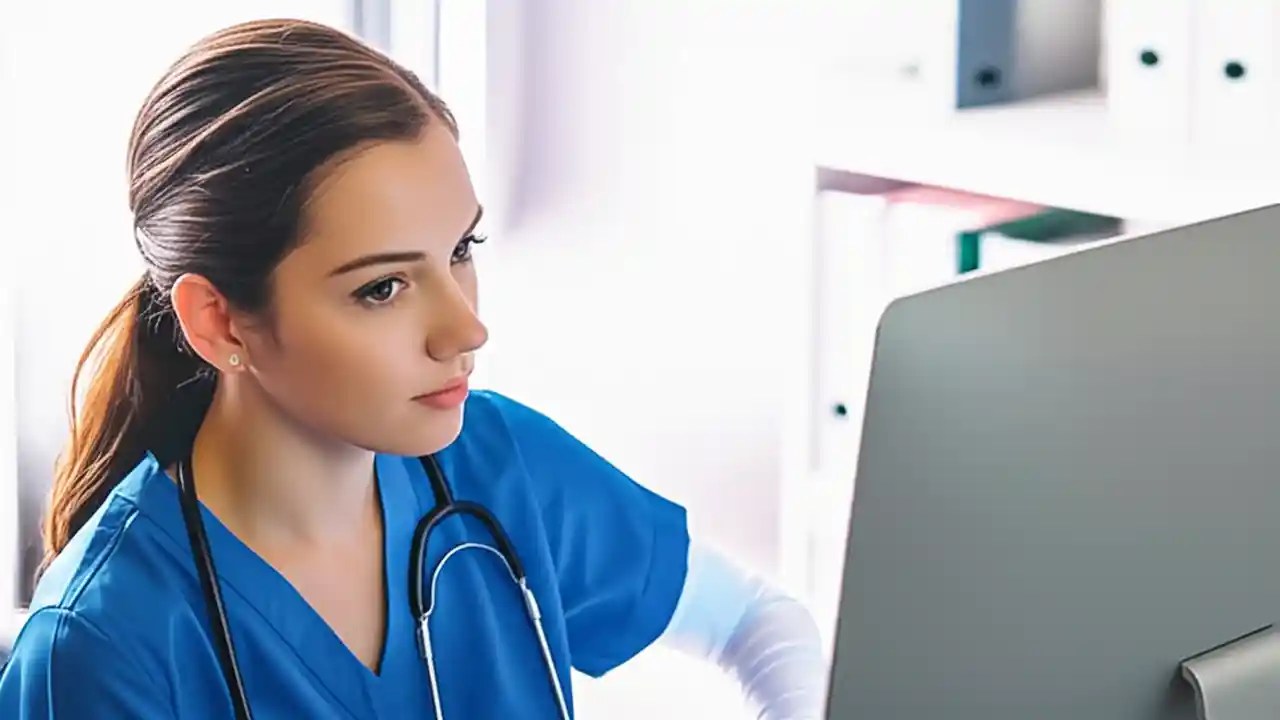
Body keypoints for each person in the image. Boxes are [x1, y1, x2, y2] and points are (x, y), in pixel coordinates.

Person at [0, 18, 825, 720]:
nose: (467, 325)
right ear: (220, 324)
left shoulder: (498, 465)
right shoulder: (101, 648)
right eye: (382, 288)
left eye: (461, 250)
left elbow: (757, 624)